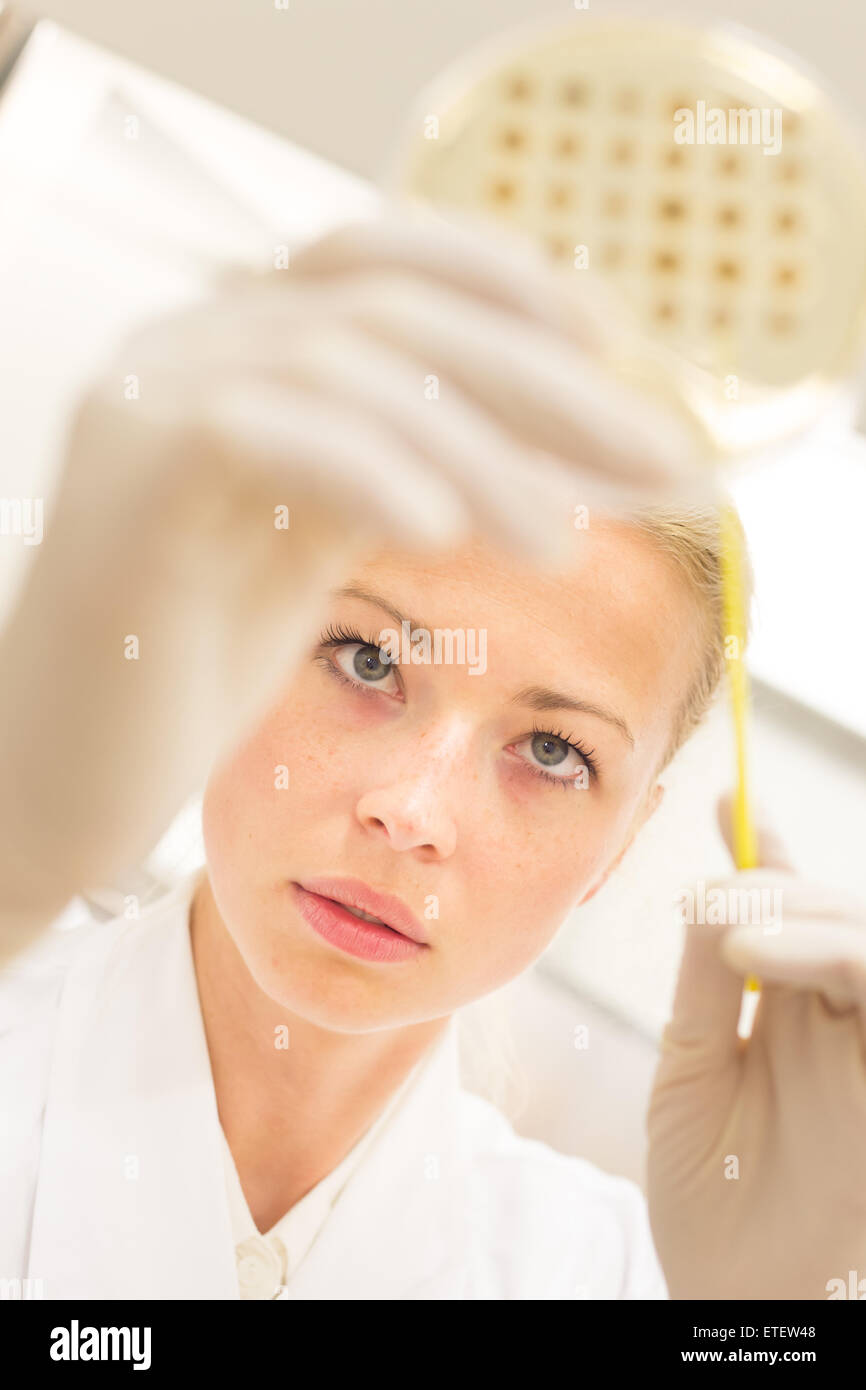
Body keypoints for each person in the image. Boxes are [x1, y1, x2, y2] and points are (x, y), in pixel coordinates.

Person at [0, 206, 864, 1301]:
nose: (411, 810)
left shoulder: (605, 1274)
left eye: (552, 748)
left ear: (618, 841)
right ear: (239, 643)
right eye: (365, 660)